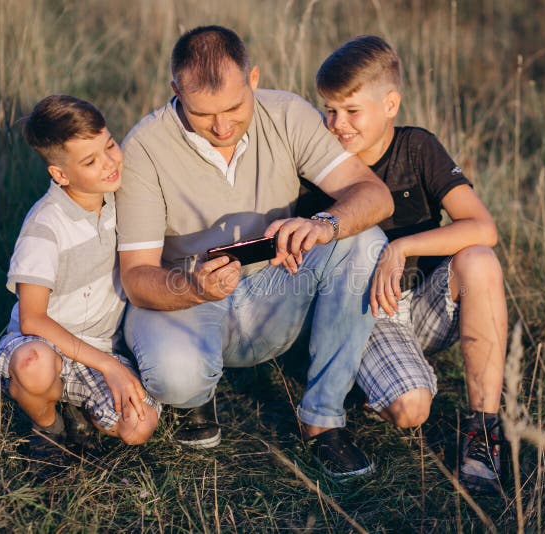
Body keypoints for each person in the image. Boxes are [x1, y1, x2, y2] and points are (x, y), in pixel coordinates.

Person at [116, 26, 393, 478]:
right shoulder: (145, 147)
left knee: (365, 241)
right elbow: (136, 276)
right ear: (176, 92)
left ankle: (323, 419)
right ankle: (194, 399)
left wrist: (321, 224)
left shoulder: (287, 113)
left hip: (275, 284)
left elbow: (374, 195)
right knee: (176, 377)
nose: (222, 126)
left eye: (233, 107)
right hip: (186, 295)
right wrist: (191, 286)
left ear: (254, 80)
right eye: (203, 113)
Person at [315, 36, 508, 493]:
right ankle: (373, 381)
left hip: (423, 301)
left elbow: (483, 226)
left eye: (351, 111)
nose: (337, 124)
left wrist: (400, 248)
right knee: (411, 410)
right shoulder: (320, 161)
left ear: (390, 105)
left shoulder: (417, 147)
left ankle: (484, 432)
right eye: (329, 110)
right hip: (366, 314)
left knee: (479, 260)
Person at [0, 95, 161, 467]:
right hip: (42, 342)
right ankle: (48, 425)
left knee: (139, 426)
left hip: (101, 346)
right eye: (90, 161)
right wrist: (110, 367)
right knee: (34, 364)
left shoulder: (120, 200)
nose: (109, 163)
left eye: (110, 145)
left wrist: (110, 362)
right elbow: (33, 319)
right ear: (61, 175)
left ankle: (76, 406)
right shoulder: (45, 226)